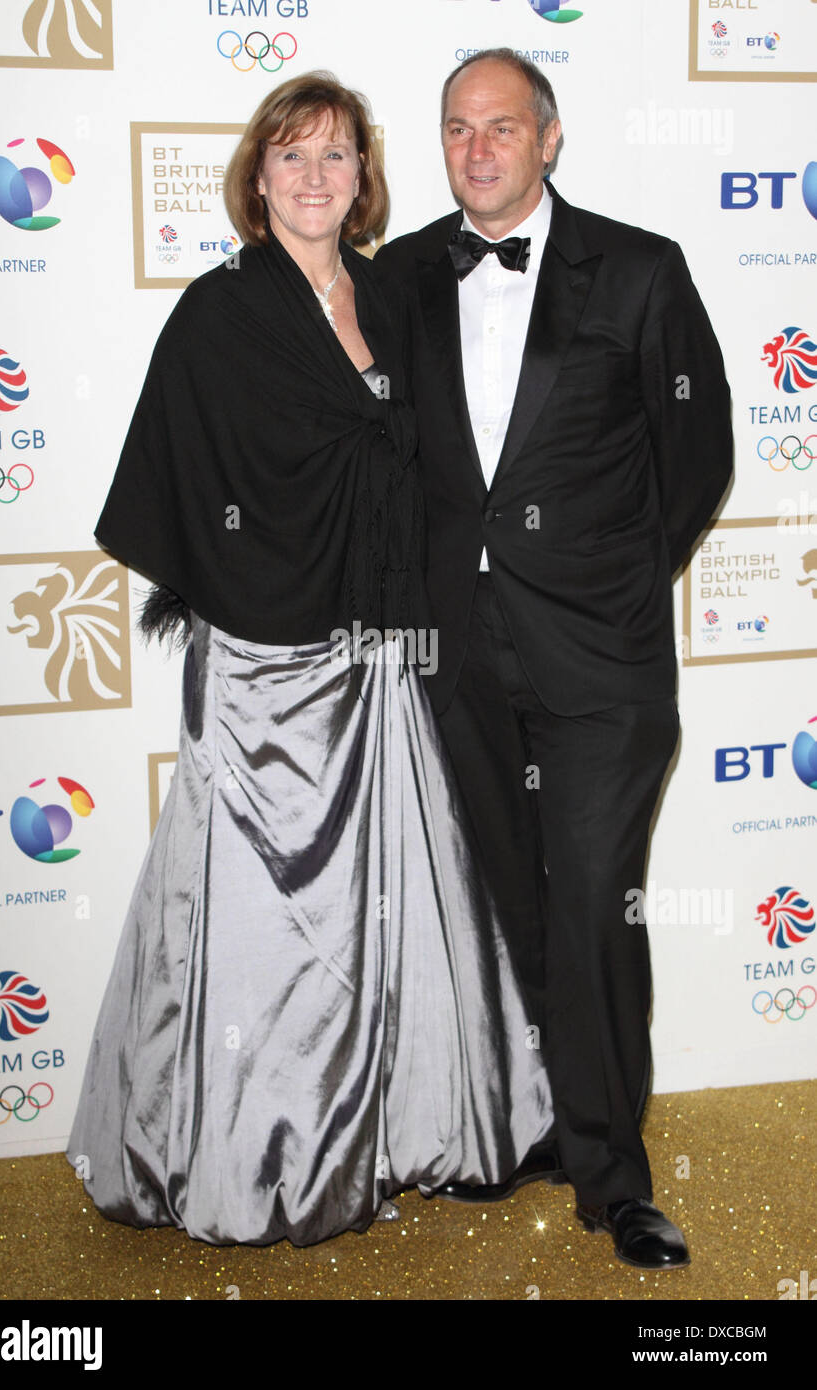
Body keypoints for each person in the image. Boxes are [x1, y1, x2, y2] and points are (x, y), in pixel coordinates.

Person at [65, 72, 554, 1248]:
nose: (314, 177)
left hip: (384, 661)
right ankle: (255, 1156)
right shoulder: (220, 311)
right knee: (263, 935)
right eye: (291, 156)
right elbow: (175, 489)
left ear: (362, 177)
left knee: (375, 921)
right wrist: (253, 618)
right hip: (267, 675)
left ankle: (386, 1131)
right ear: (257, 174)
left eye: (335, 156)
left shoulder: (392, 295)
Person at [373, 49, 733, 1269]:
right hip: (459, 658)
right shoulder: (407, 273)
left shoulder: (638, 271)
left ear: (551, 136)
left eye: (502, 127)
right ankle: (551, 1125)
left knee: (588, 904)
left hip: (599, 671)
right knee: (515, 907)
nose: (478, 149)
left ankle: (615, 1179)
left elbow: (696, 459)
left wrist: (616, 584)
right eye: (456, 129)